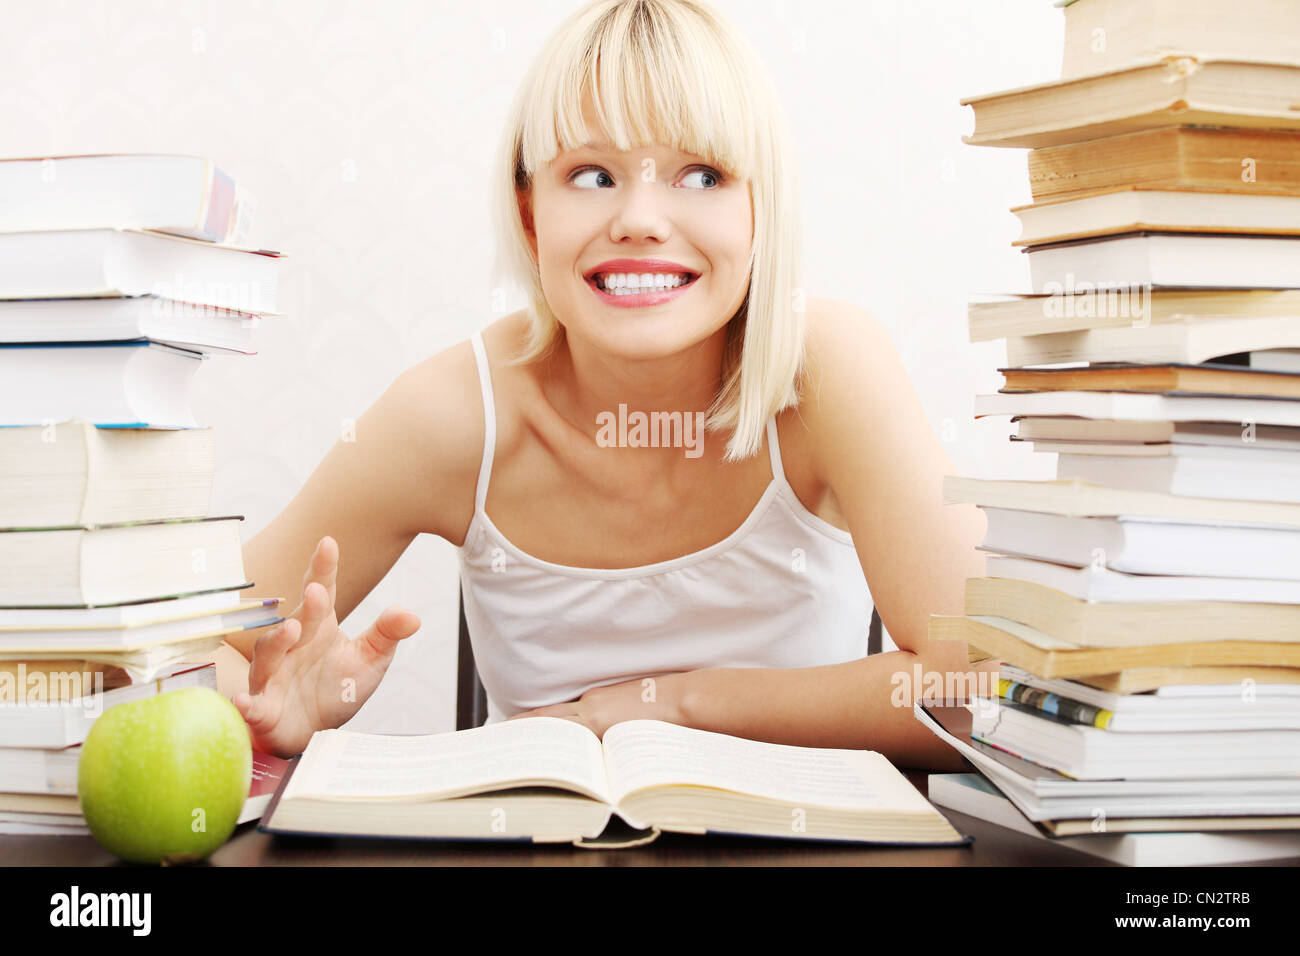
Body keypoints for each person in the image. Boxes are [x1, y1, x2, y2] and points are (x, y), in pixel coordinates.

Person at [225, 0, 990, 765]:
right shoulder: (452, 413)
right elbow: (186, 653)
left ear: (760, 213)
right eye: (593, 175)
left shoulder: (826, 367)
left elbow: (993, 688)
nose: (641, 219)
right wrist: (267, 712)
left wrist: (678, 705)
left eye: (702, 174)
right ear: (531, 215)